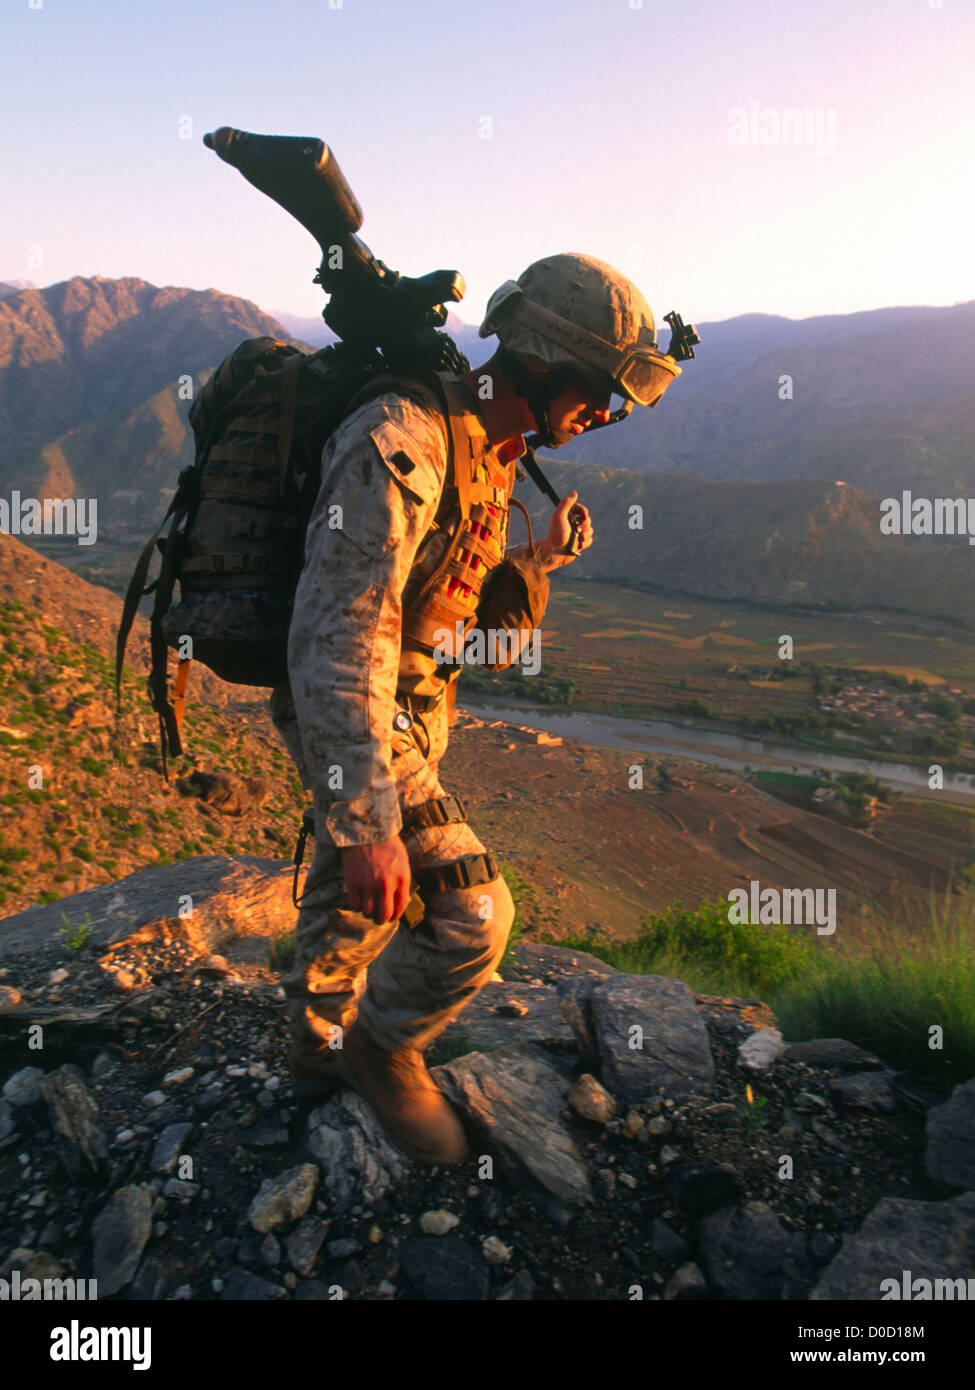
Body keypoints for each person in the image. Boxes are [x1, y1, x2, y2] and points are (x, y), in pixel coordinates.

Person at [268, 252, 683, 1165]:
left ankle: (313, 1053)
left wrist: (534, 568)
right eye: (591, 391)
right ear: (536, 361)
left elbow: (446, 600)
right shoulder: (403, 443)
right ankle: (383, 1055)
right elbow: (335, 639)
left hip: (403, 718)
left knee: (354, 905)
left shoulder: (487, 451)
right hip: (359, 723)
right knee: (470, 912)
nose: (600, 414)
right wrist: (367, 816)